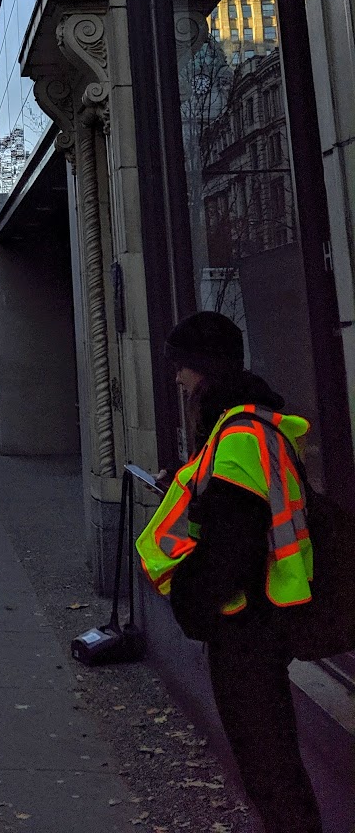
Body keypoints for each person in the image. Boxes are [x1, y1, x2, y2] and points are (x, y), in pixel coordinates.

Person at [136, 312, 322, 833]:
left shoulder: (237, 435)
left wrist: (191, 601)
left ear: (205, 368)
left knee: (268, 766)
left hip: (247, 624)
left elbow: (233, 541)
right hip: (262, 617)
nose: (177, 378)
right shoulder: (246, 426)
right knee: (271, 762)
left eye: (183, 367)